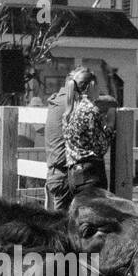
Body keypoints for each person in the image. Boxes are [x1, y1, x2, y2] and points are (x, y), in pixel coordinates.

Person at [46, 67, 110, 211]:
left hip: (62, 173)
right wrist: (109, 129)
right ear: (91, 85)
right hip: (79, 174)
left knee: (62, 222)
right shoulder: (86, 108)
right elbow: (101, 146)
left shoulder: (65, 106)